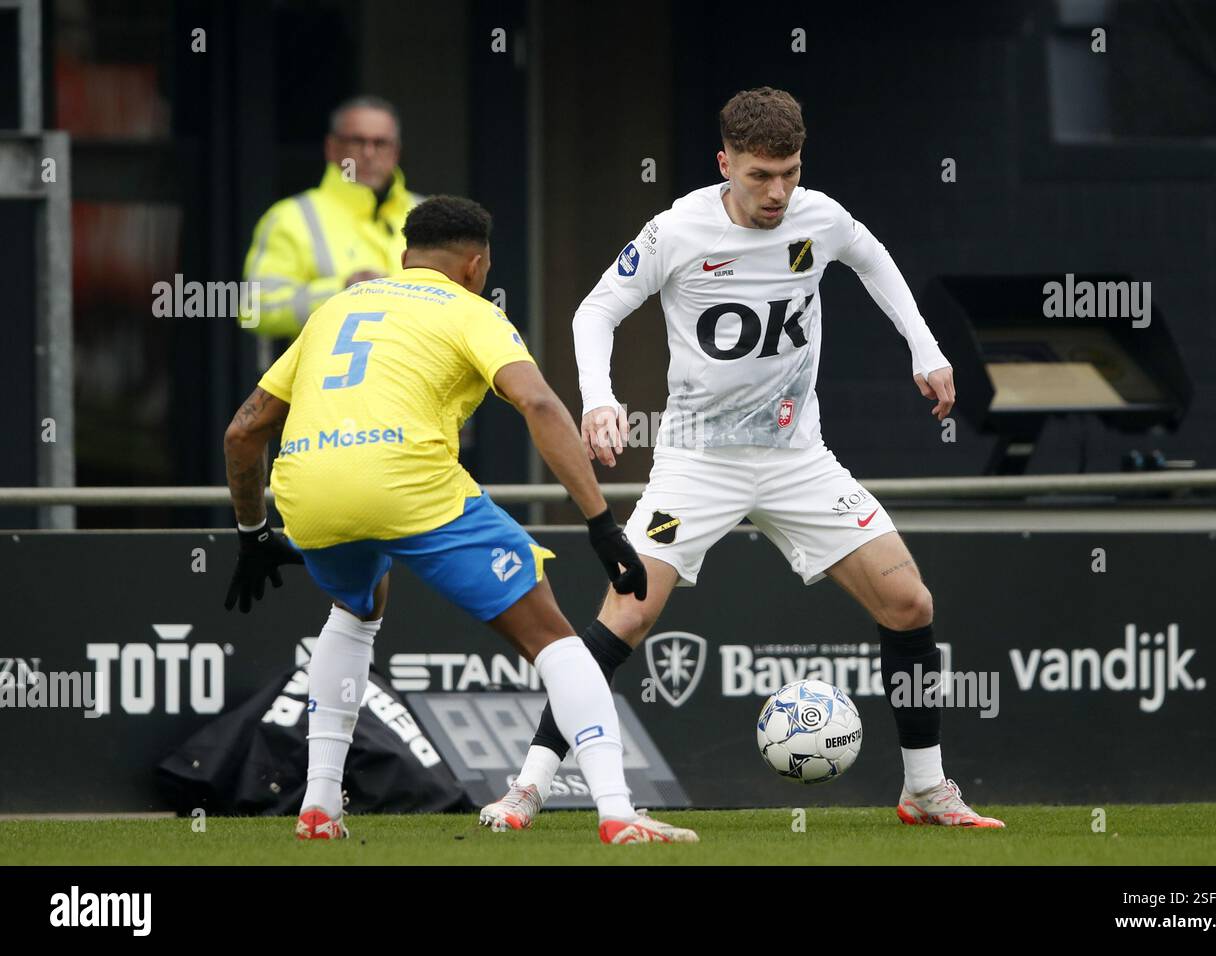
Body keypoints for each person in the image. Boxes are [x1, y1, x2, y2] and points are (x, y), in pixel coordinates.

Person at [480, 87, 1004, 831]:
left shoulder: (818, 217)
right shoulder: (675, 231)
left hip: (799, 459)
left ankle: (925, 789)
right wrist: (599, 400)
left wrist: (926, 348)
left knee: (909, 603)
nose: (778, 191)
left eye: (789, 171)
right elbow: (595, 310)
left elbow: (872, 257)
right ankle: (528, 786)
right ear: (725, 163)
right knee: (626, 616)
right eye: (760, 175)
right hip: (698, 464)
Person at [222, 194, 697, 845]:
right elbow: (539, 403)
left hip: (307, 487)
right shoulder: (472, 310)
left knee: (356, 609)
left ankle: (319, 805)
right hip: (405, 480)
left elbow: (244, 432)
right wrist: (600, 523)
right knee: (555, 639)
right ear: (476, 265)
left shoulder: (337, 307)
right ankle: (617, 811)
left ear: (403, 257)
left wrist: (252, 534)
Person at [239, 96, 422, 339]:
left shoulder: (426, 213)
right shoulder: (290, 217)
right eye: (357, 141)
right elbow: (255, 309)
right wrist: (342, 291)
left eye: (380, 143)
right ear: (332, 148)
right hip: (333, 375)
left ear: (396, 152)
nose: (369, 153)